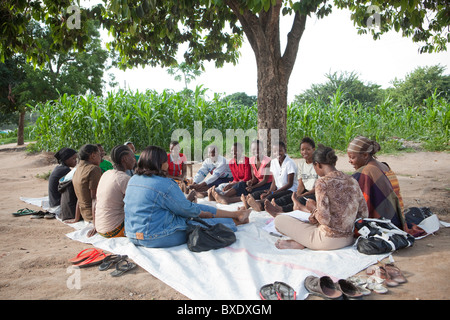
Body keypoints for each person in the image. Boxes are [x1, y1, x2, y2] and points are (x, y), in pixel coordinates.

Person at [124, 146, 251, 248]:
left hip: (132, 234)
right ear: (160, 163)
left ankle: (235, 214)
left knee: (196, 210)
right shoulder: (165, 184)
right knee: (199, 221)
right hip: (155, 236)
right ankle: (237, 220)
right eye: (165, 161)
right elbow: (187, 210)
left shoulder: (133, 179)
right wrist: (202, 213)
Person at [274, 145, 369, 250]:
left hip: (327, 241)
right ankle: (303, 239)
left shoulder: (322, 182)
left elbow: (324, 219)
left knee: (279, 220)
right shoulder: (352, 181)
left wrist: (313, 208)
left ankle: (301, 243)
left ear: (317, 165)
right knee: (311, 222)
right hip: (349, 239)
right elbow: (363, 213)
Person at [347, 136, 407, 230]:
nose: (349, 161)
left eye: (352, 157)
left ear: (365, 155)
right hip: (399, 217)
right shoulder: (384, 165)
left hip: (386, 220)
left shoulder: (367, 171)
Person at [265, 137, 318, 214]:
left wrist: (303, 194)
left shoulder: (318, 164)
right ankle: (275, 207)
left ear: (313, 149)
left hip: (315, 192)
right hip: (305, 191)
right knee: (291, 197)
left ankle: (281, 210)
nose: (305, 152)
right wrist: (298, 193)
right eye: (302, 150)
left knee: (301, 200)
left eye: (308, 149)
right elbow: (301, 184)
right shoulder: (301, 165)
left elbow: (317, 187)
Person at [94, 145, 137, 238]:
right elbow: (136, 206)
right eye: (132, 157)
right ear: (125, 159)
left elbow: (95, 202)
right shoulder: (124, 179)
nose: (134, 160)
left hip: (100, 228)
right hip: (114, 230)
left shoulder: (106, 174)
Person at [211, 140, 271, 204]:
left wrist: (252, 186)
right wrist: (251, 182)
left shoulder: (267, 161)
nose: (256, 151)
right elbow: (254, 178)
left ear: (263, 150)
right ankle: (224, 197)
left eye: (258, 149)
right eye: (254, 149)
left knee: (252, 192)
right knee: (242, 185)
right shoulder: (252, 160)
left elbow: (265, 180)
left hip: (267, 184)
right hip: (258, 183)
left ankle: (227, 199)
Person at [243, 141, 298, 211]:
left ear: (285, 150)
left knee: (272, 197)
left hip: (290, 190)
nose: (277, 153)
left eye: (280, 151)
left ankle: (259, 205)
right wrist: (270, 191)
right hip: (278, 189)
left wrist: (274, 192)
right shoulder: (274, 162)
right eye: (275, 151)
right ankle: (249, 203)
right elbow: (274, 181)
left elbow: (290, 184)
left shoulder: (290, 163)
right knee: (261, 194)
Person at [68, 144, 102, 229]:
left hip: (85, 216)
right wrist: (95, 225)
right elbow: (94, 198)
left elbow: (79, 198)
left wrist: (76, 218)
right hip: (94, 216)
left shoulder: (77, 169)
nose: (100, 158)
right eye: (99, 155)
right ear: (93, 156)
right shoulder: (94, 169)